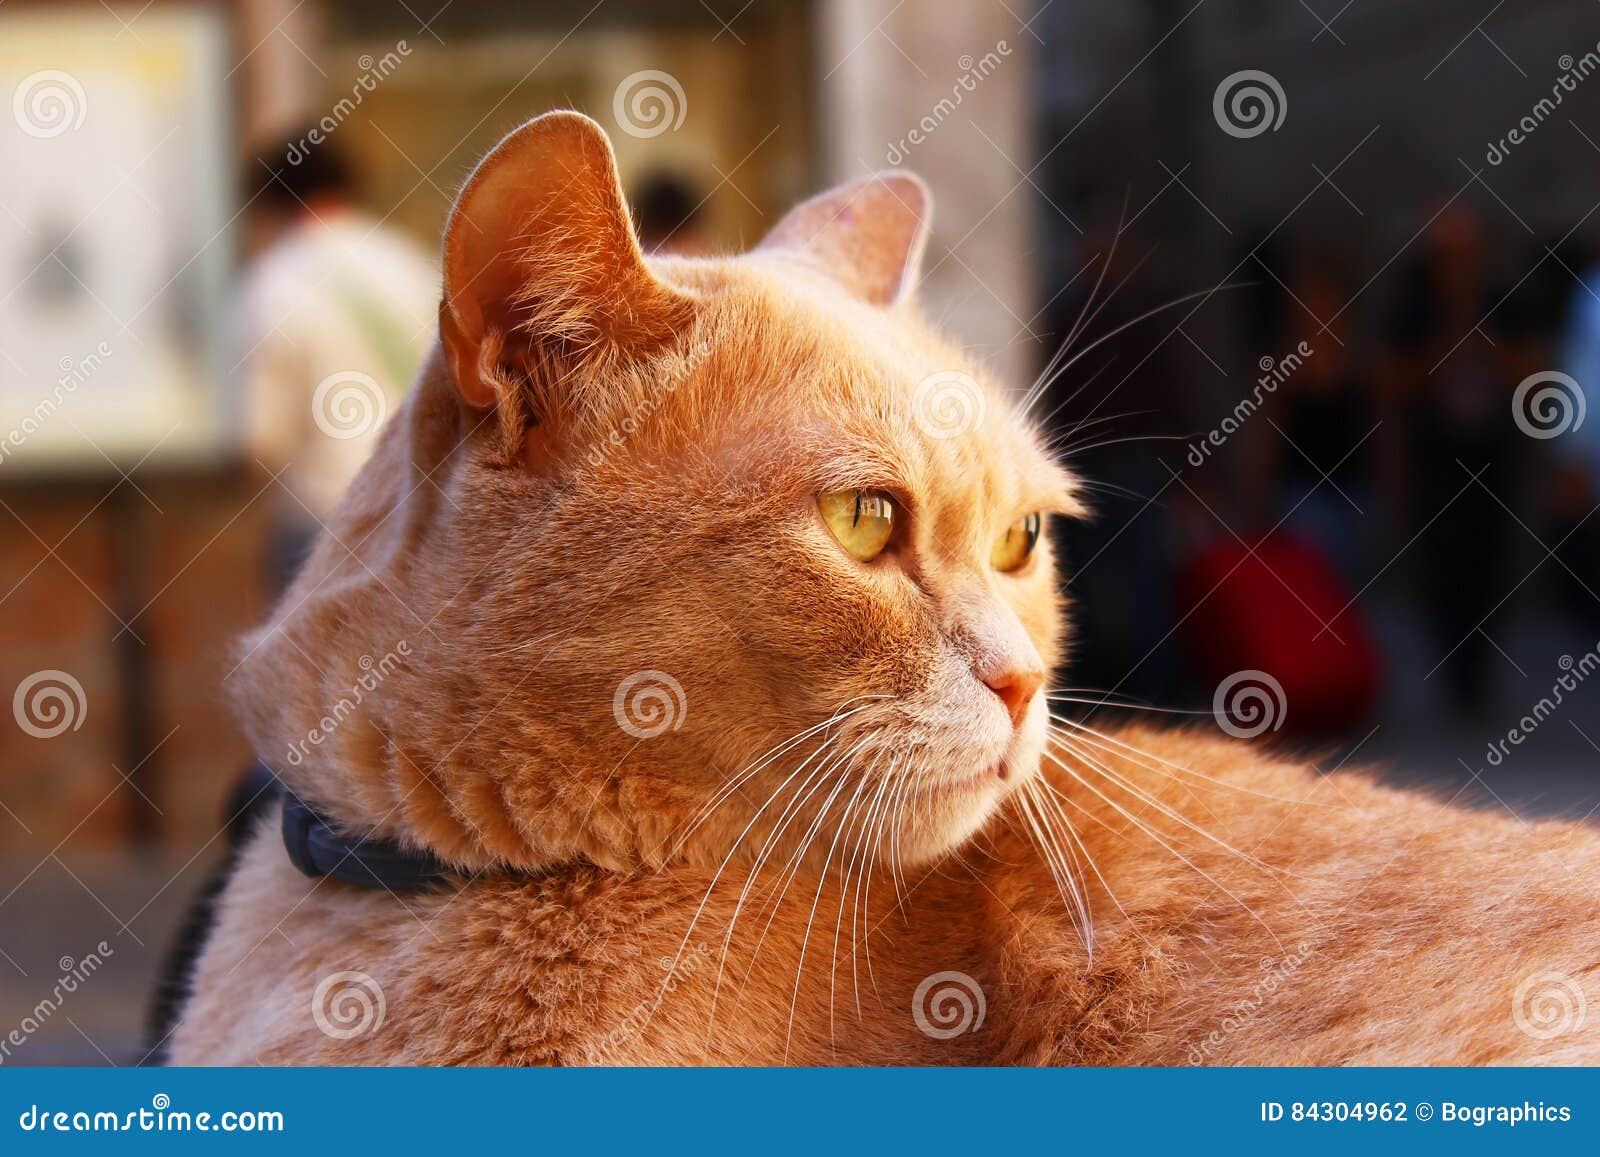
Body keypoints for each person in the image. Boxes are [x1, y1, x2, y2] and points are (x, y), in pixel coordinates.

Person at [233, 128, 440, 591]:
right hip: (422, 509)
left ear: (267, 205)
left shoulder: (271, 285)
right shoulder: (409, 263)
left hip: (322, 524)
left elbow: (260, 438)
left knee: (312, 663)